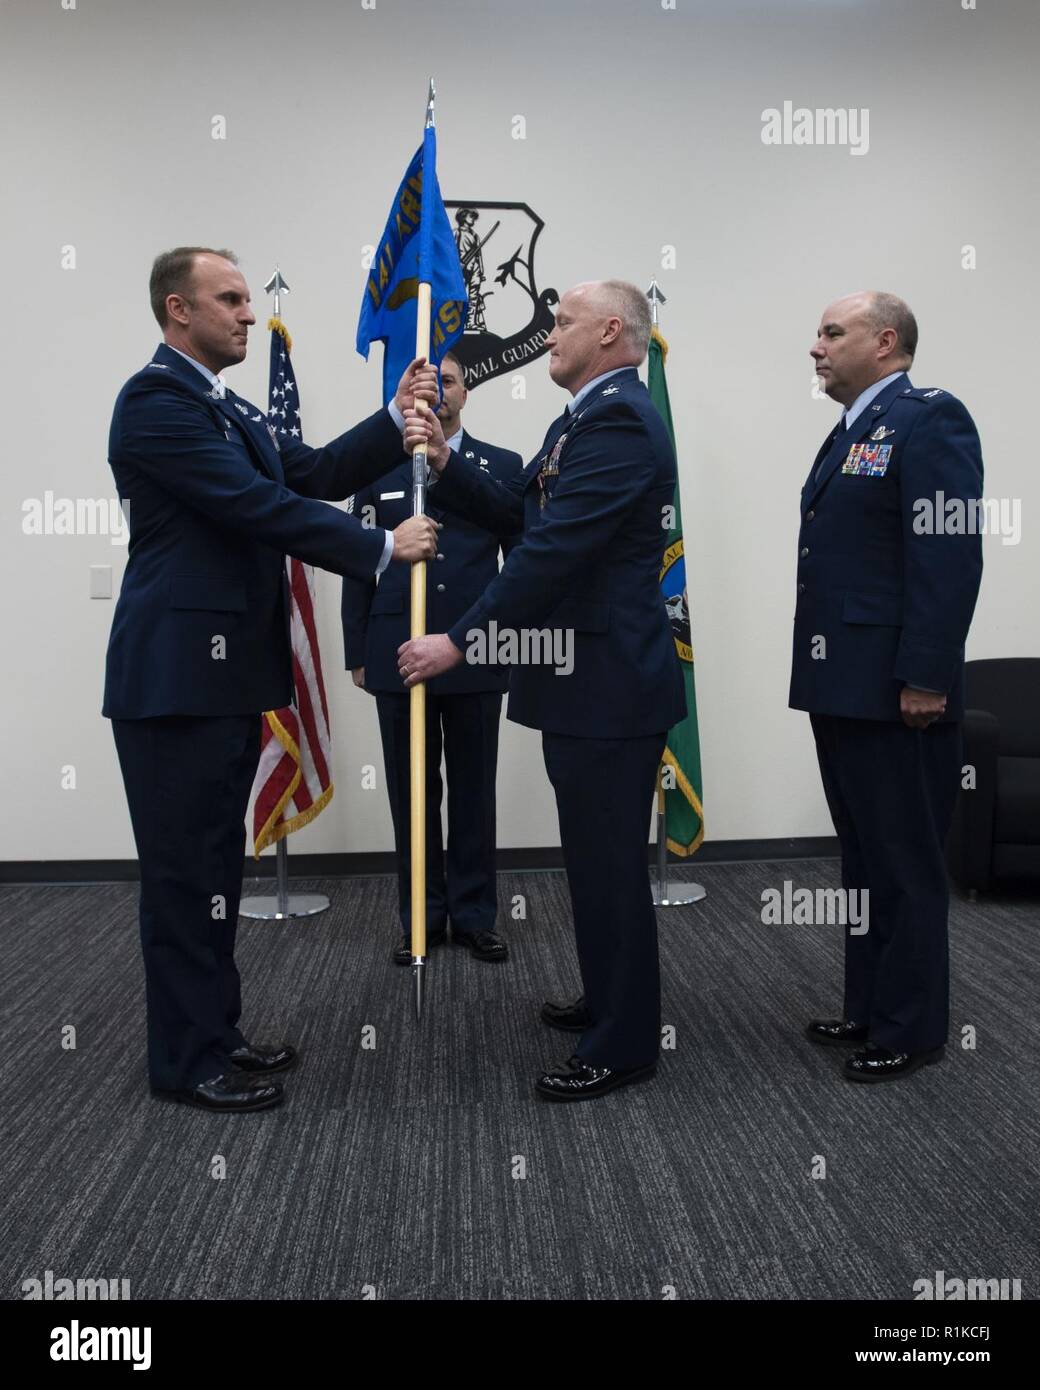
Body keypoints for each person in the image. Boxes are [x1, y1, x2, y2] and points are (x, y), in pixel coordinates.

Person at [104, 246, 438, 1112]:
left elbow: (312, 471)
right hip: (173, 682)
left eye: (249, 300)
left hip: (222, 681)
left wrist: (393, 412)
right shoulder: (155, 403)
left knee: (216, 870)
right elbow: (256, 507)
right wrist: (378, 547)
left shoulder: (225, 406)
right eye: (231, 300)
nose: (249, 314)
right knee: (184, 878)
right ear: (178, 310)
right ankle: (186, 1063)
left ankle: (217, 1034)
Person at [399, 280, 686, 1102]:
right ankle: (609, 1002)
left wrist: (460, 638)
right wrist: (449, 466)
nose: (548, 334)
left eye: (561, 323)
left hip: (611, 686)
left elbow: (552, 552)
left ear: (608, 331)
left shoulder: (621, 420)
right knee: (594, 865)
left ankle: (624, 1043)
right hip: (585, 681)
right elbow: (523, 520)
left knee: (608, 869)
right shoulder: (581, 419)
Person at [793, 290, 984, 1083]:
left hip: (899, 688)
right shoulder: (850, 431)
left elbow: (949, 554)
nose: (816, 346)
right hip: (843, 684)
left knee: (905, 860)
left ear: (886, 340)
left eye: (831, 332)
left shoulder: (930, 418)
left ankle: (913, 1028)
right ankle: (869, 1005)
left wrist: (927, 675)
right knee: (865, 858)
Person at [342, 352, 523, 966]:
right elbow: (356, 565)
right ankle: (420, 917)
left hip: (472, 649)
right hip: (396, 649)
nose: (438, 390)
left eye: (448, 380)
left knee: (474, 791)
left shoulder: (501, 467)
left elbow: (517, 547)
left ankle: (474, 916)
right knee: (411, 792)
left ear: (467, 392)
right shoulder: (378, 470)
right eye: (427, 381)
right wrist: (356, 651)